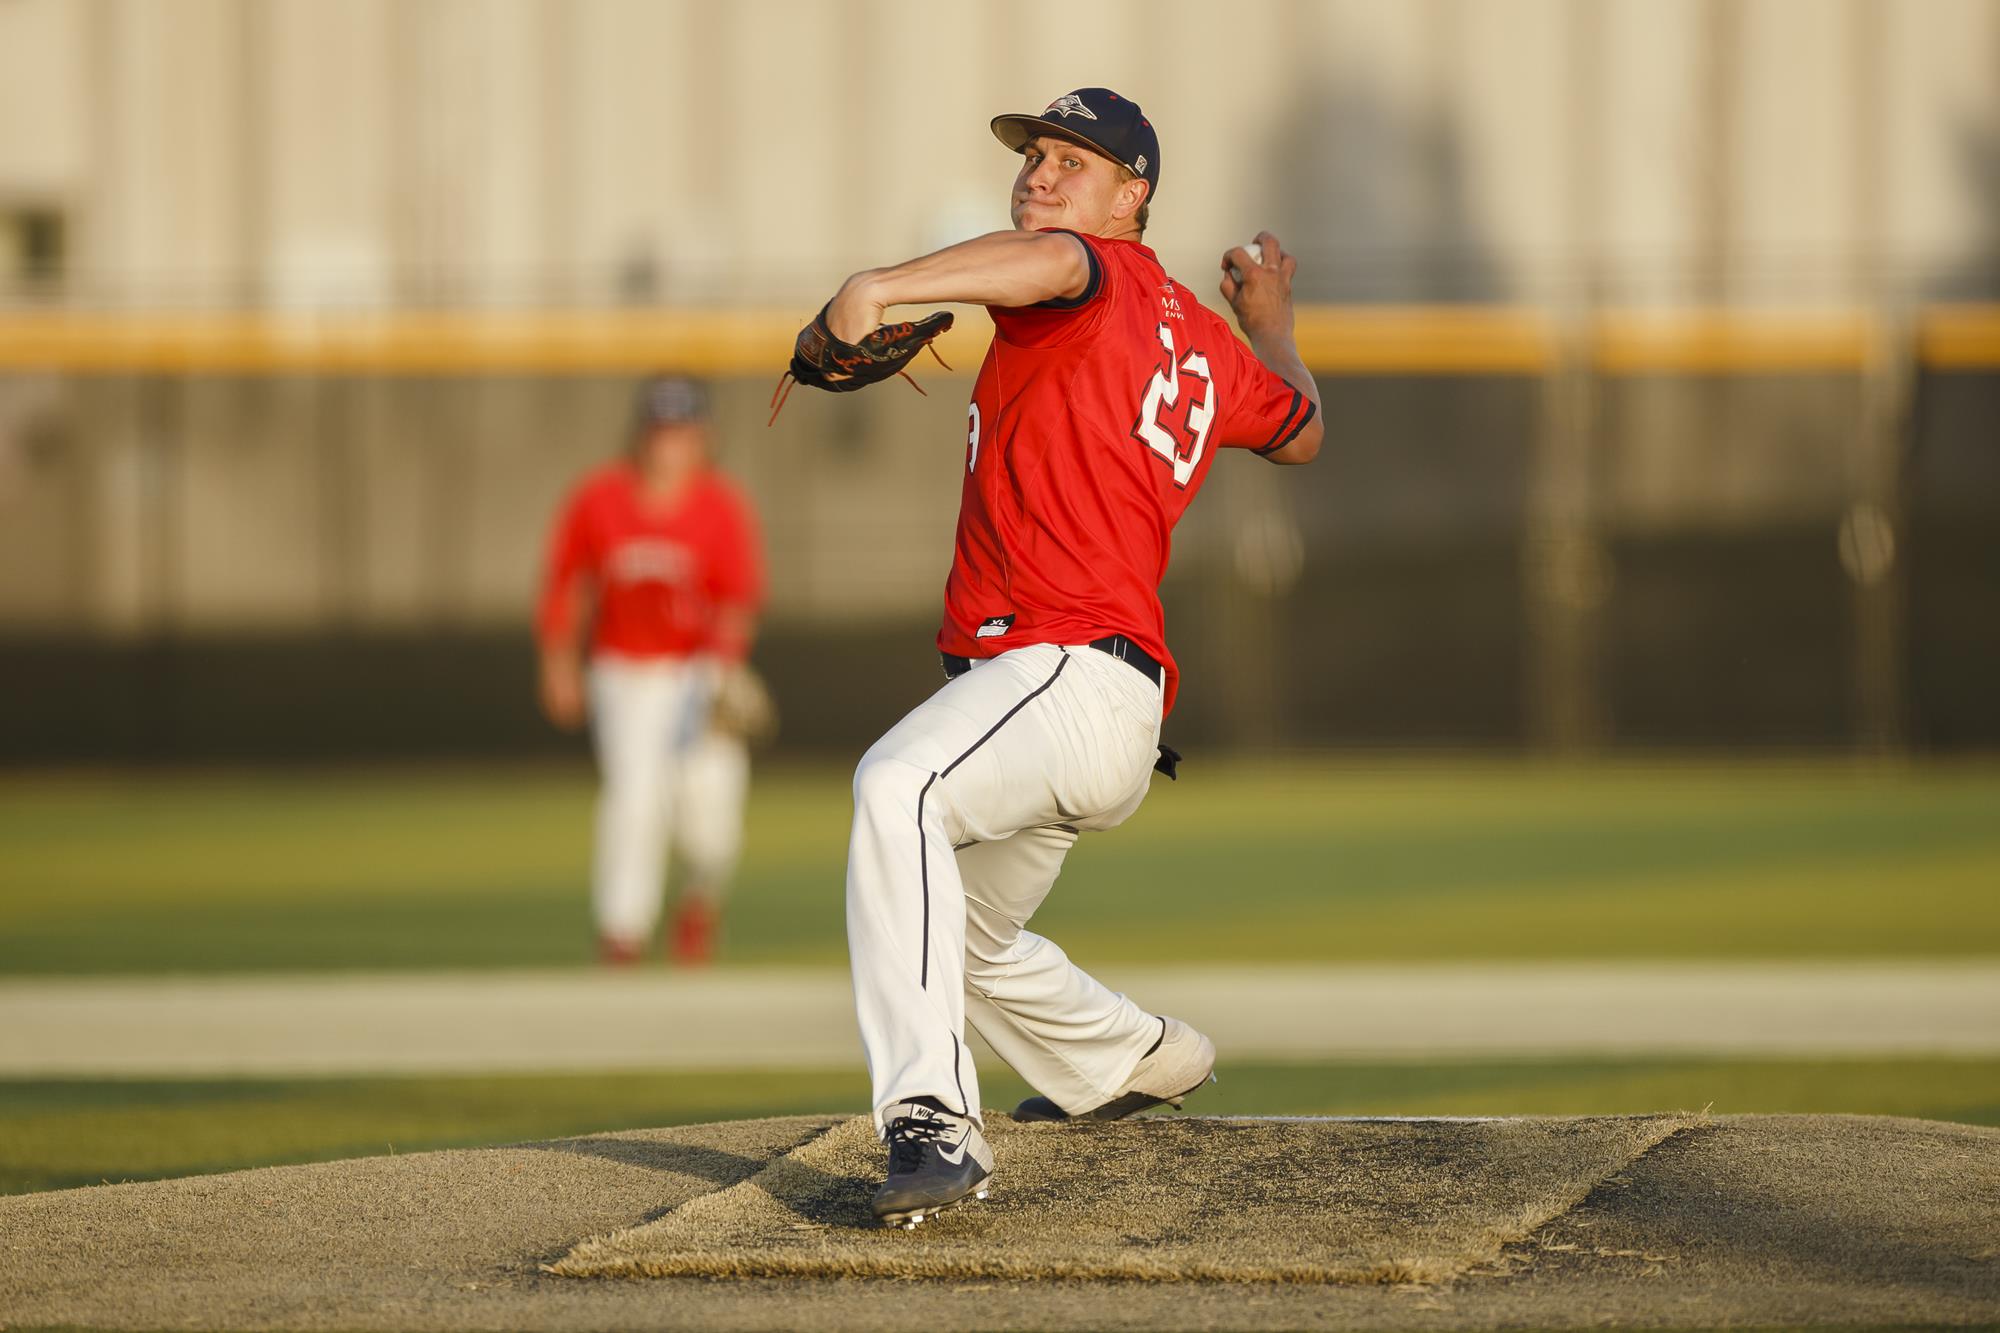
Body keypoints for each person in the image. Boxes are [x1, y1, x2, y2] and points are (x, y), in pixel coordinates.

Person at [800, 88, 1322, 1226]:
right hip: (1089, 701)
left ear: (1131, 196)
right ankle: (1139, 1060)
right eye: (1032, 155)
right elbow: (1301, 427)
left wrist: (879, 287)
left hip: (1060, 669)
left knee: (897, 789)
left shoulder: (1086, 271)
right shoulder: (1196, 334)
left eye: (1070, 161)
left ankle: (931, 1122)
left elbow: (1049, 269)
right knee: (962, 936)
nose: (1040, 174)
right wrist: (1270, 321)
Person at [536, 375, 770, 966]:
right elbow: (566, 584)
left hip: (698, 671)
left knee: (710, 816)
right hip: (624, 672)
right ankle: (623, 932)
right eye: (661, 430)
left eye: (682, 432)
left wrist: (724, 672)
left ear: (704, 437)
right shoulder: (599, 497)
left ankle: (699, 899)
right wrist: (558, 664)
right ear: (642, 434)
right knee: (632, 798)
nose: (670, 445)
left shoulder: (721, 506)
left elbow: (738, 600)